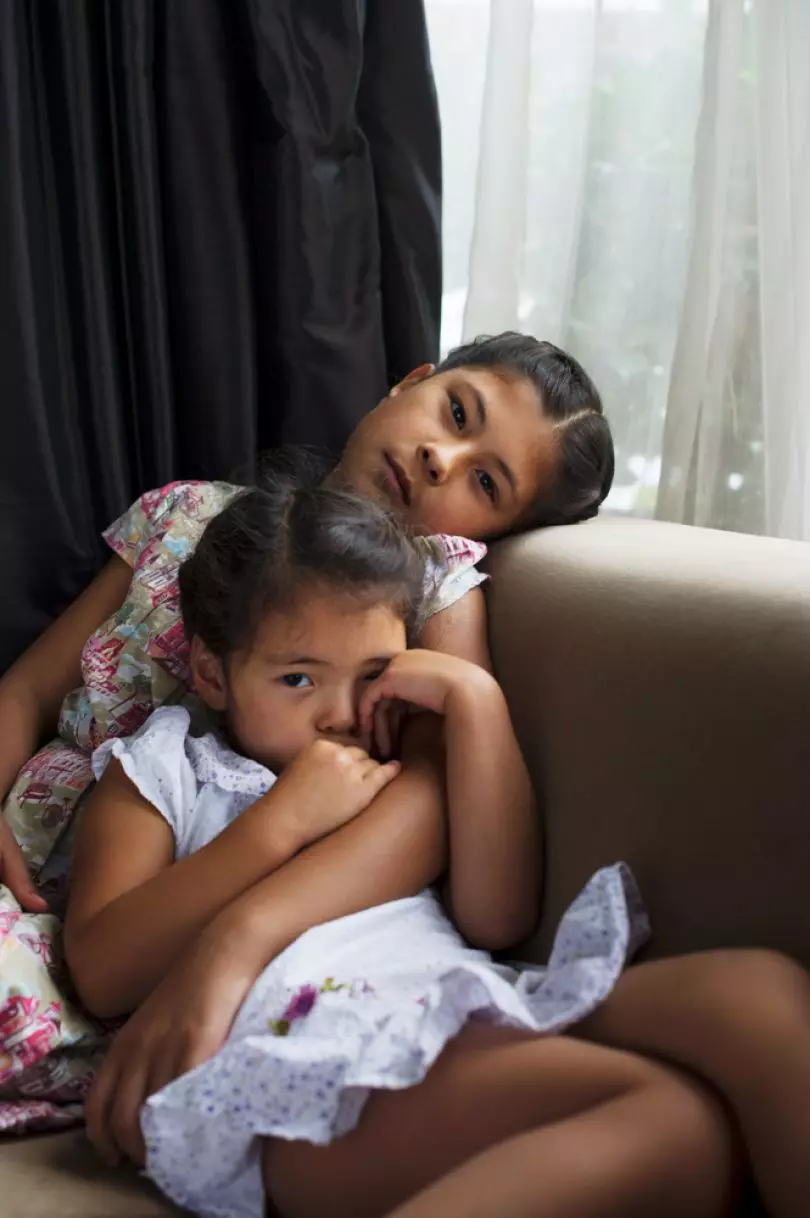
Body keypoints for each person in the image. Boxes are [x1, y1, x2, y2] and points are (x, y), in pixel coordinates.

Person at [65, 471, 726, 1218]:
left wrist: (475, 701)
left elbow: (497, 917)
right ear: (214, 673)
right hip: (299, 1065)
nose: (342, 714)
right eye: (297, 678)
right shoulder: (168, 768)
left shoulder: (398, 764)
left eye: (372, 673)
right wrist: (278, 822)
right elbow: (102, 967)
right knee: (676, 1125)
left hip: (441, 1003)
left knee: (757, 995)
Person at [0, 333, 613, 917]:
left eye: (485, 482)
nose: (439, 458)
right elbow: (25, 691)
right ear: (409, 383)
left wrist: (246, 933)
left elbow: (430, 801)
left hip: (167, 909)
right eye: (456, 412)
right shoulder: (185, 513)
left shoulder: (432, 590)